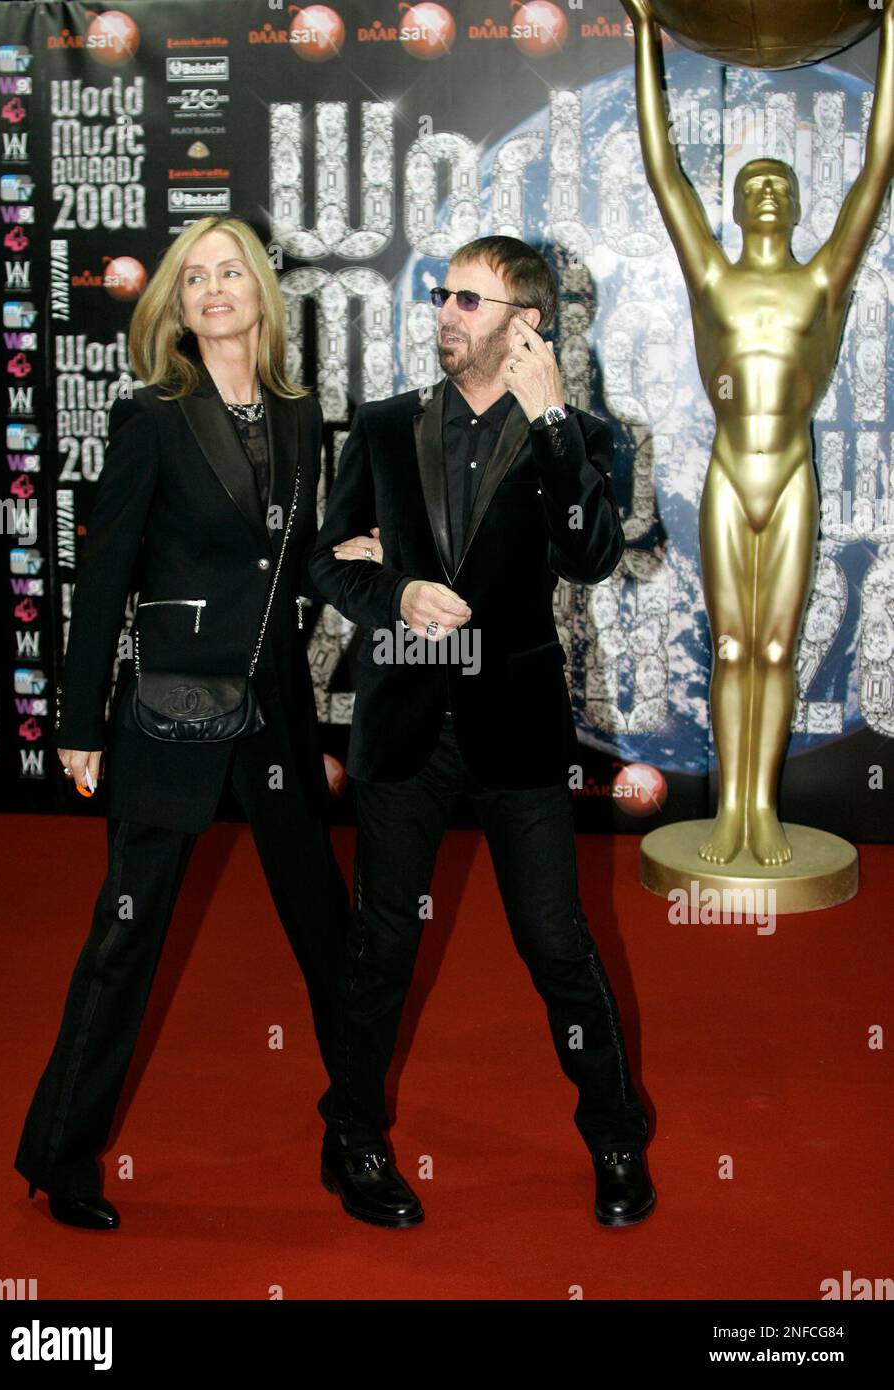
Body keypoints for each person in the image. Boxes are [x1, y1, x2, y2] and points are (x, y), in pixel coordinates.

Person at [309, 236, 655, 1230]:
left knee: (555, 939)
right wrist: (399, 589)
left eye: (470, 299)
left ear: (525, 323)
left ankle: (618, 1136)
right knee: (380, 945)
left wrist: (550, 422)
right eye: (442, 295)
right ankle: (354, 1138)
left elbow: (589, 559)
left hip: (514, 723)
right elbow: (330, 566)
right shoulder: (380, 430)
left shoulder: (583, 434)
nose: (446, 312)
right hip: (406, 721)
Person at [14, 215, 352, 1230]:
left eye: (228, 272)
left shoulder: (298, 415)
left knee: (326, 932)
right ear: (176, 303)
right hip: (169, 713)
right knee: (126, 935)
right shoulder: (153, 417)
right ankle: (61, 1154)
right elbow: (106, 570)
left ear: (259, 290)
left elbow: (296, 564)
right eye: (192, 277)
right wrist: (80, 720)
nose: (212, 289)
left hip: (277, 715)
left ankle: (359, 1128)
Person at [621, 0, 894, 865]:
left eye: (780, 181)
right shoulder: (710, 275)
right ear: (735, 207)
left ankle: (760, 813)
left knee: (775, 645)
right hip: (728, 472)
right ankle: (729, 812)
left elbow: (878, 166)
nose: (767, 189)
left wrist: (893, 34)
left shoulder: (823, 281)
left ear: (798, 200)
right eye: (752, 183)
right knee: (731, 643)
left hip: (792, 475)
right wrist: (640, 30)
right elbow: (663, 172)